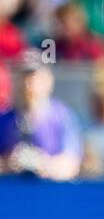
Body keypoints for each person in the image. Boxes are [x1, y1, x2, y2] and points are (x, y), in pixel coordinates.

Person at [0, 50, 82, 180]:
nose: (27, 85)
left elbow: (71, 164)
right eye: (22, 77)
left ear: (48, 81)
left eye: (33, 78)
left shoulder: (62, 117)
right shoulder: (3, 119)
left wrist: (42, 164)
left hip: (50, 191)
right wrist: (7, 164)